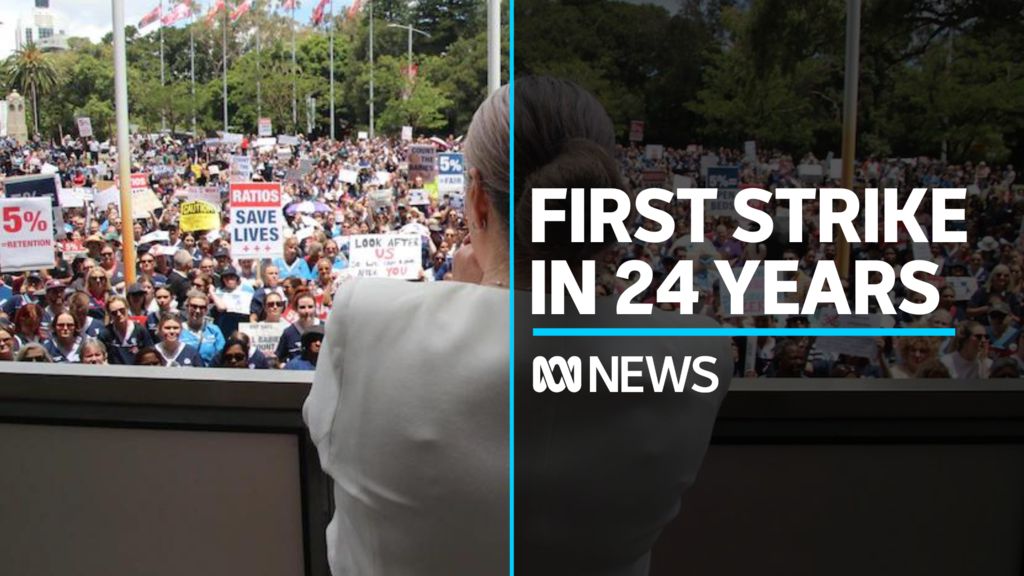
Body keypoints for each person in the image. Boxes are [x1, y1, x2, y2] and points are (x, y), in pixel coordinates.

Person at [304, 79, 732, 575]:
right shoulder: (693, 351)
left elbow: (332, 443)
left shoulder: (366, 316)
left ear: (479, 201)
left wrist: (465, 297)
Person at [98, 296, 153, 365]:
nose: (119, 314)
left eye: (122, 310)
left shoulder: (140, 331)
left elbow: (151, 355)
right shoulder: (105, 334)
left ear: (127, 308)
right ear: (109, 314)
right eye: (114, 312)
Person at [179, 291, 225, 366]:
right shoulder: (179, 329)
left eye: (202, 307)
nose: (197, 310)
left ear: (206, 310)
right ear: (187, 307)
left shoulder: (214, 330)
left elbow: (221, 354)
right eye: (194, 306)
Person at [275, 292, 319, 365]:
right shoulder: (288, 333)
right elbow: (279, 358)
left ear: (315, 307)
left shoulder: (324, 328)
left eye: (310, 307)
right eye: (302, 307)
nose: (307, 311)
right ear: (295, 309)